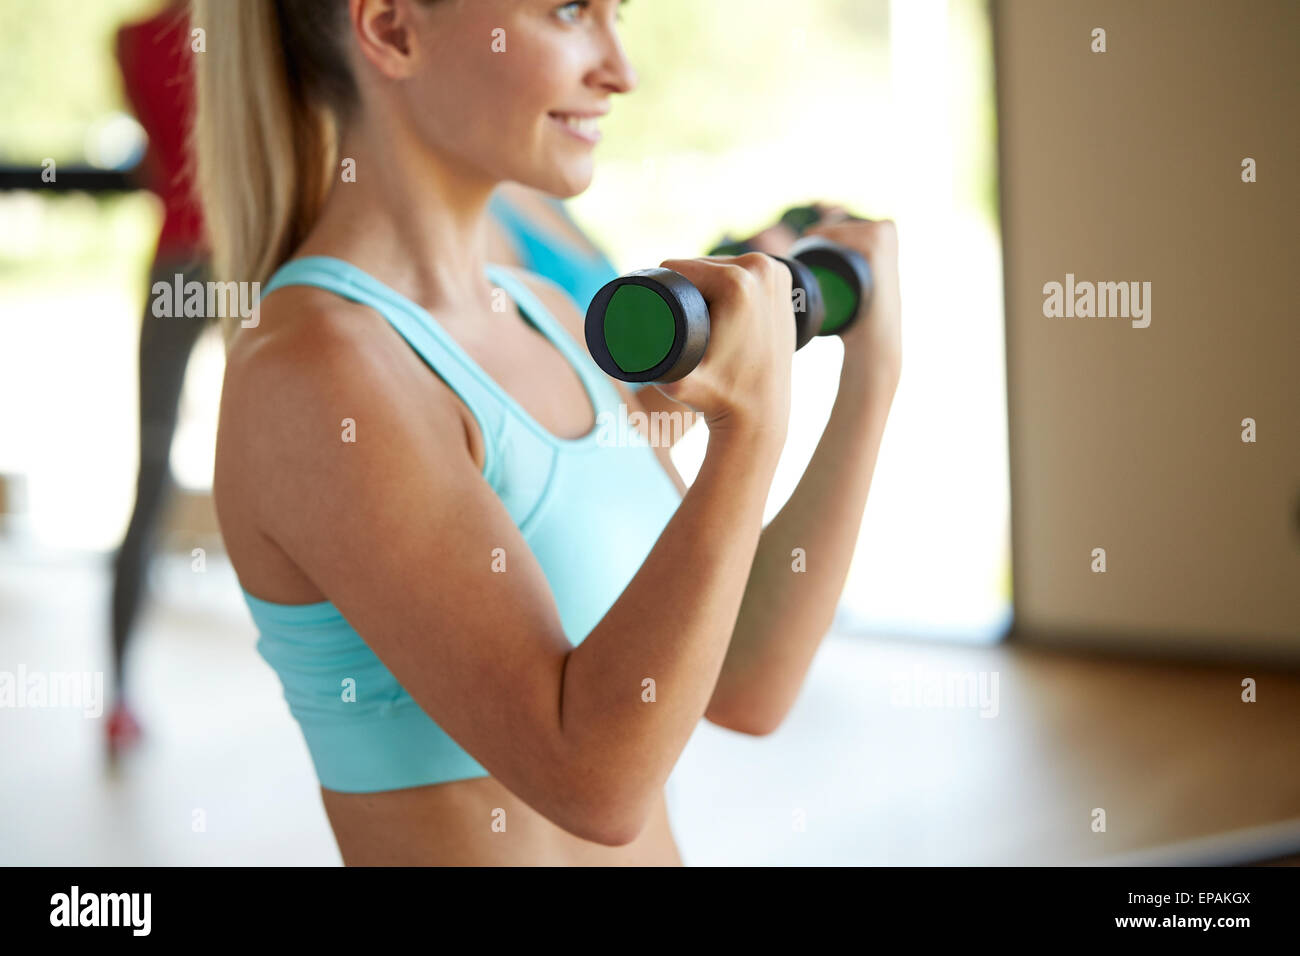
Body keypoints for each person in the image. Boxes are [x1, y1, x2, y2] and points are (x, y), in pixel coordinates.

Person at [195, 0, 900, 865]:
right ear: (392, 30)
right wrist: (747, 431)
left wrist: (872, 375)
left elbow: (746, 678)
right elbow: (594, 784)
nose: (620, 69)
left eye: (616, 14)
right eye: (569, 11)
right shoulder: (315, 372)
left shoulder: (552, 316)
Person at [107, 0, 208, 758]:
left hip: (175, 261)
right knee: (320, 455)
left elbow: (153, 165)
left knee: (150, 473)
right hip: (254, 257)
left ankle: (116, 697)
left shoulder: (131, 42)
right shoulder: (257, 36)